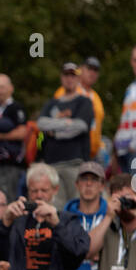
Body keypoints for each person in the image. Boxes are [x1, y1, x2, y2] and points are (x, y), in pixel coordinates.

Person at [36, 62, 95, 207]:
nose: (69, 79)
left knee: (77, 205)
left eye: (73, 75)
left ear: (78, 79)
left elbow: (81, 126)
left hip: (75, 163)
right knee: (56, 207)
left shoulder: (84, 102)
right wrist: (68, 124)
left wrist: (54, 132)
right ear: (61, 78)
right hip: (52, 164)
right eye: (66, 75)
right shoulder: (52, 103)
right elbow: (41, 123)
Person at [0, 73, 30, 198]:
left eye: (2, 87)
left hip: (10, 166)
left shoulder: (16, 107)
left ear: (11, 88)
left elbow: (23, 133)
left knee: (7, 202)